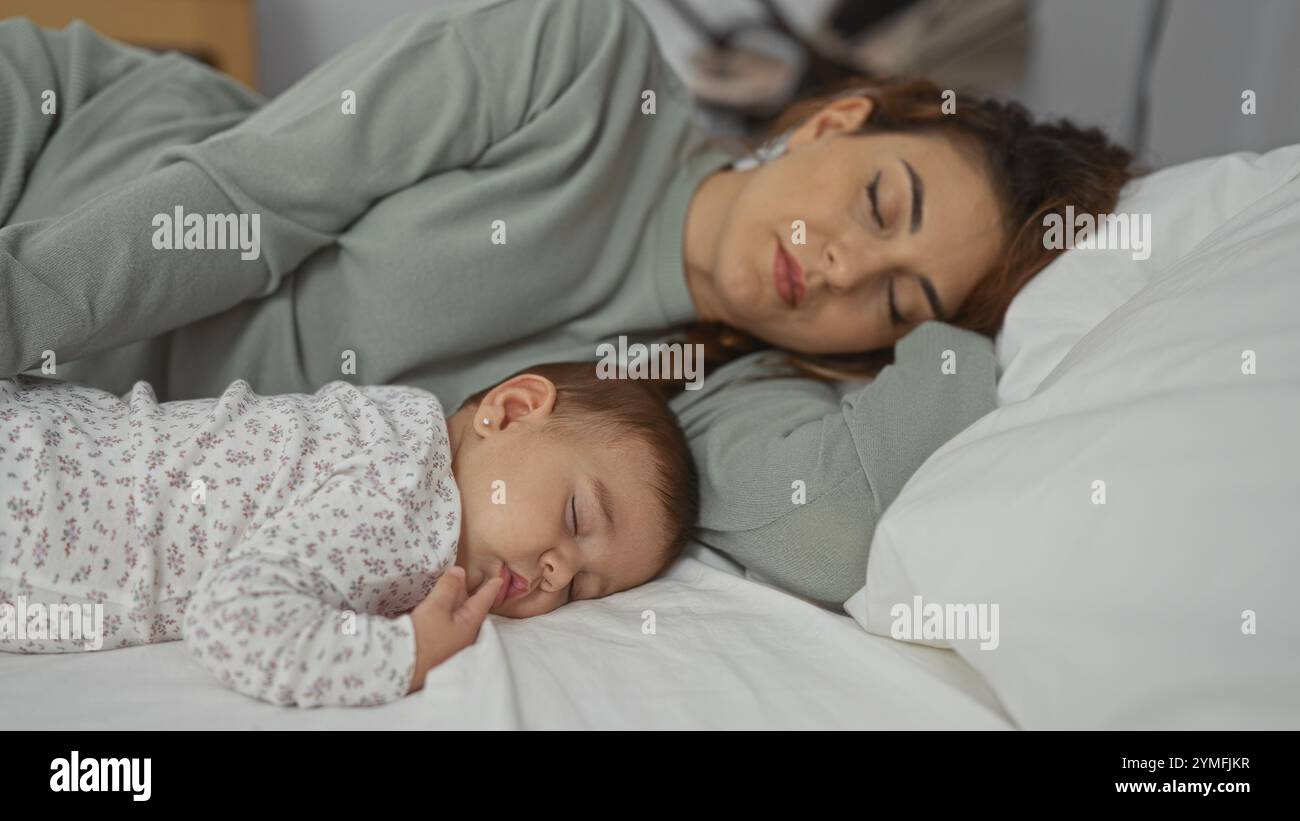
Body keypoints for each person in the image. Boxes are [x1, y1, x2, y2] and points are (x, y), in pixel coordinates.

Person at [0, 0, 1136, 609]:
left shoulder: (701, 397)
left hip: (85, 425)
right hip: (58, 168)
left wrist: (984, 318)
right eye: (878, 204)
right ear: (832, 121)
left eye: (897, 295)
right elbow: (247, 201)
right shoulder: (581, 62)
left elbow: (836, 532)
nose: (840, 267)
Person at [0, 362, 698, 707]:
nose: (555, 571)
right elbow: (233, 620)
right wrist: (406, 653)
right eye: (576, 518)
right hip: (37, 490)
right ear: (511, 410)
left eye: (581, 585)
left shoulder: (392, 429)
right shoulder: (410, 499)